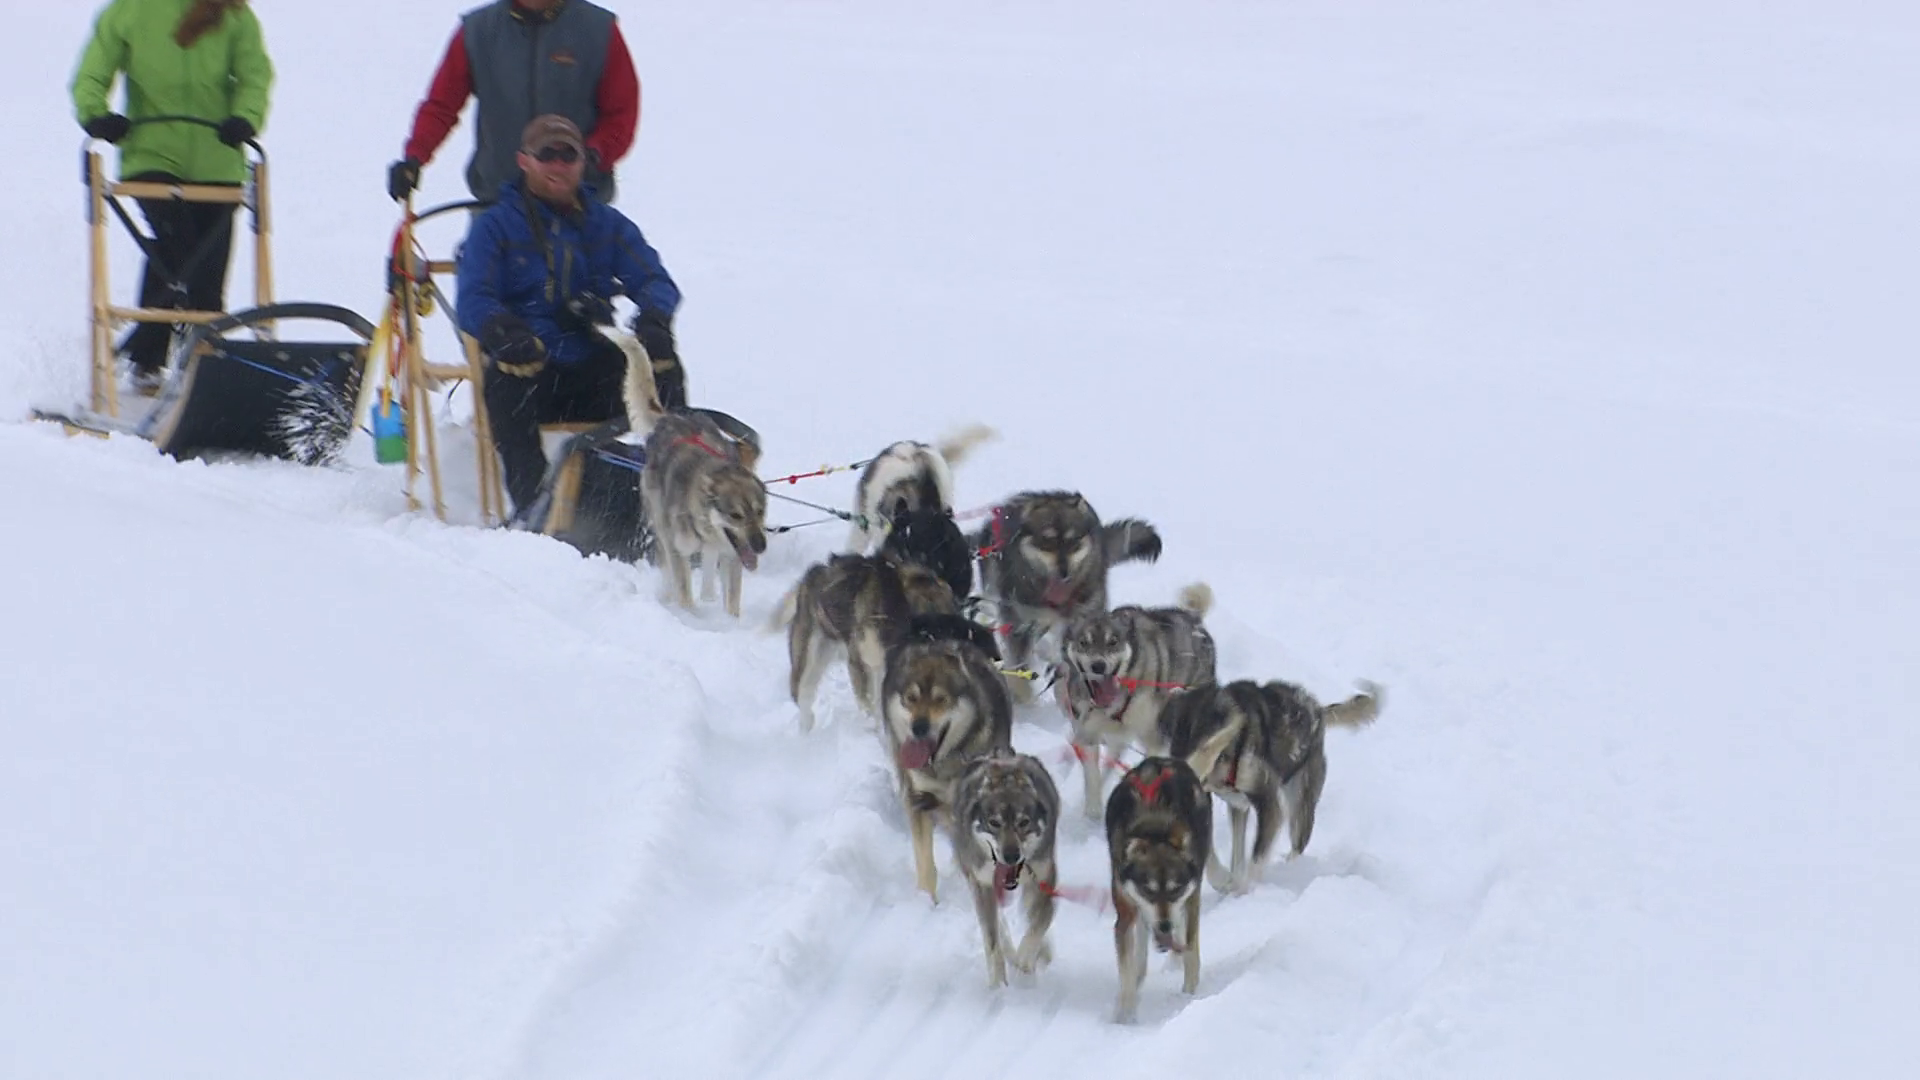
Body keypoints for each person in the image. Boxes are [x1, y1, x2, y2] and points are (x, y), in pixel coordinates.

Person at [457, 115, 684, 518]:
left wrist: (653, 318)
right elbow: (474, 297)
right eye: (548, 154)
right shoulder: (494, 227)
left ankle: (676, 496)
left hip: (594, 362)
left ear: (583, 162)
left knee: (661, 366)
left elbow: (653, 279)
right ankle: (535, 509)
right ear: (524, 161)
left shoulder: (607, 225)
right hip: (533, 364)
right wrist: (502, 329)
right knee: (507, 382)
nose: (559, 165)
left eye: (569, 155)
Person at [70, 0, 273, 392]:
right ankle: (150, 360)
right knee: (179, 250)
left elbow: (255, 75)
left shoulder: (234, 14)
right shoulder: (128, 11)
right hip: (151, 155)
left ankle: (195, 365)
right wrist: (96, 114)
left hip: (217, 159)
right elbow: (90, 75)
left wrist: (246, 117)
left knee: (206, 273)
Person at [390, 0, 639, 206]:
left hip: (579, 205)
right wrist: (415, 158)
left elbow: (621, 114)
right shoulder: (478, 31)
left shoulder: (598, 31)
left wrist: (592, 157)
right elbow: (441, 105)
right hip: (498, 204)